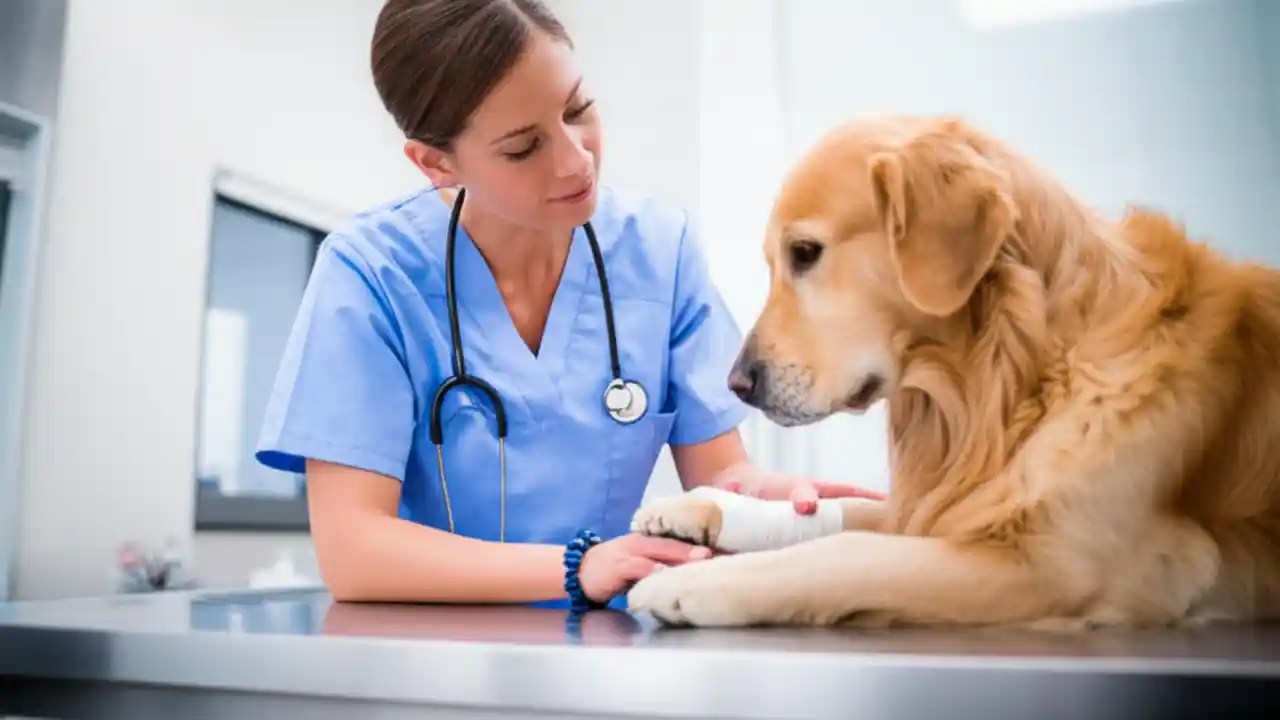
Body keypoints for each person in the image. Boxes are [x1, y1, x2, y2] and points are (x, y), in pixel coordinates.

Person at [255, 0, 880, 610]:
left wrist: (775, 505)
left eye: (578, 108)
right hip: (428, 661)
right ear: (435, 162)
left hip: (599, 655)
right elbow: (355, 551)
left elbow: (721, 477)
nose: (576, 158)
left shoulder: (660, 251)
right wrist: (579, 566)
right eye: (524, 147)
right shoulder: (372, 273)